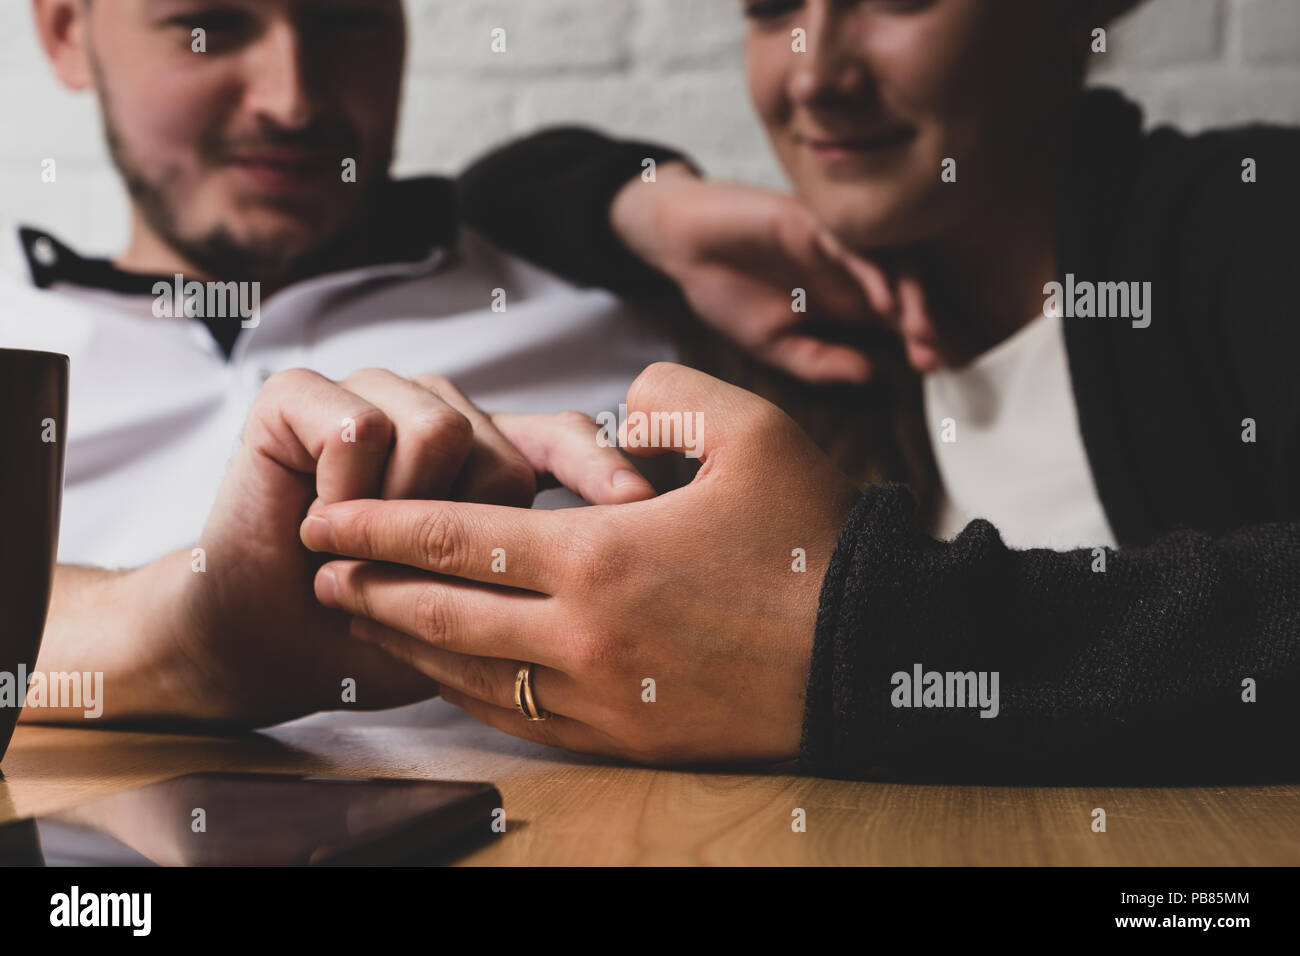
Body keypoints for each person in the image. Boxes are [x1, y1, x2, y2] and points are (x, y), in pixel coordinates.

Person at [300, 0, 1300, 780]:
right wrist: (661, 212)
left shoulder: (1246, 225)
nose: (815, 73)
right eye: (770, 5)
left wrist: (864, 642)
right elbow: (500, 189)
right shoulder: (812, 333)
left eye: (897, 2)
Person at [6, 0, 691, 727]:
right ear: (65, 33)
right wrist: (183, 638)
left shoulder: (627, 313)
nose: (292, 101)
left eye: (348, 18)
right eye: (209, 24)